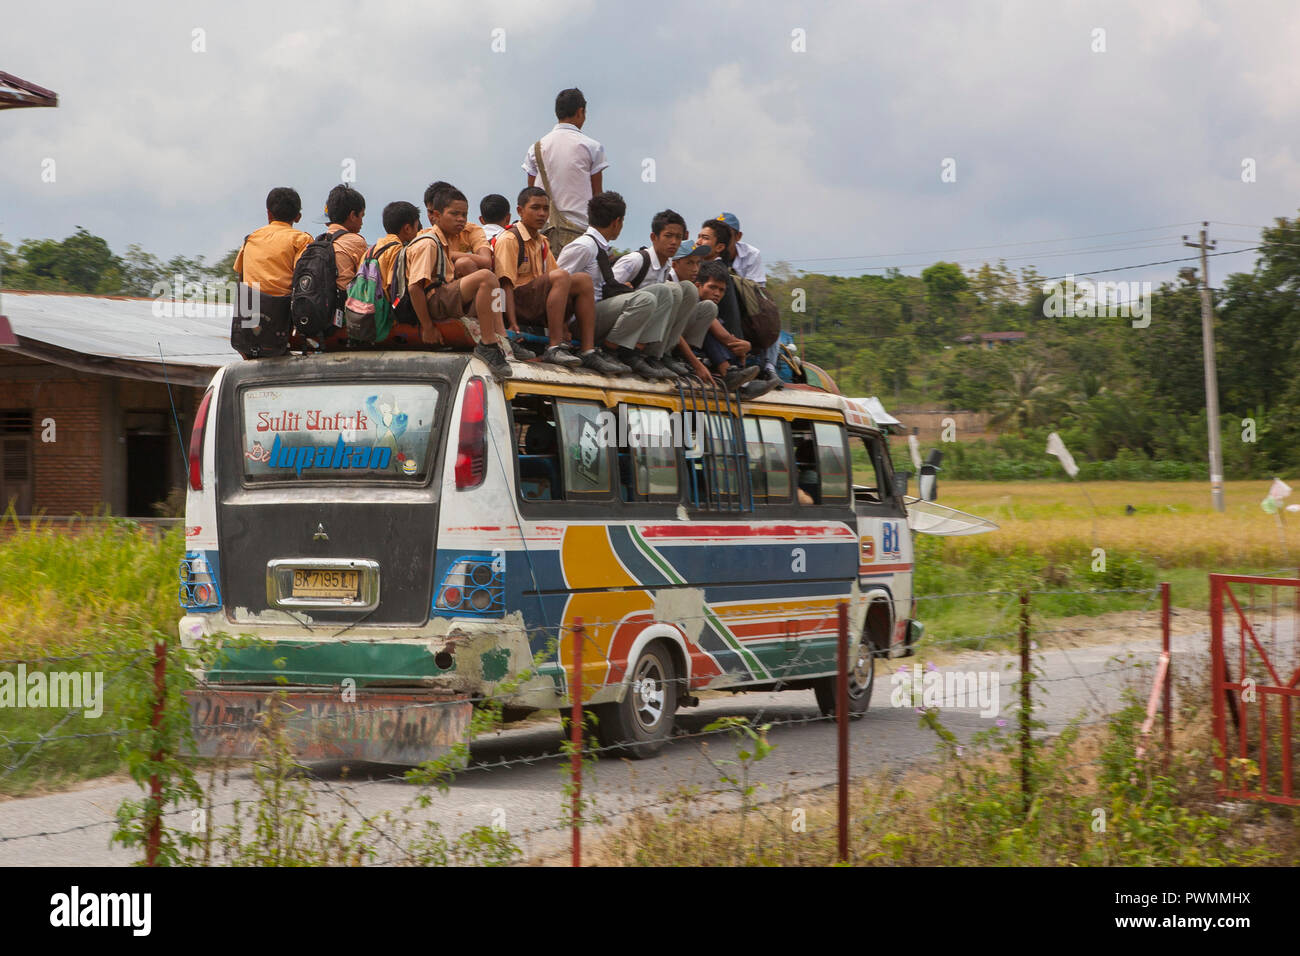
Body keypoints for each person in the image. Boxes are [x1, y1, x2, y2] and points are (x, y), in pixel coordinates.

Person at [493, 186, 606, 371]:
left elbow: (559, 285)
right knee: (561, 276)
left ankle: (588, 350)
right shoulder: (510, 239)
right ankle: (554, 346)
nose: (542, 214)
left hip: (537, 302)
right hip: (517, 303)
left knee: (583, 280)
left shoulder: (542, 241)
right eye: (535, 208)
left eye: (546, 209)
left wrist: (563, 324)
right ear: (520, 211)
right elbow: (504, 284)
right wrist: (512, 322)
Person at [555, 191, 666, 379]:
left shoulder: (601, 248)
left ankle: (649, 354)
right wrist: (562, 326)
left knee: (663, 293)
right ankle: (611, 350)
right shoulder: (583, 246)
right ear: (617, 222)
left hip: (596, 313)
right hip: (579, 321)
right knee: (645, 299)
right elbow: (557, 285)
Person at [406, 185, 512, 380]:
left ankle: (500, 335)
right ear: (436, 215)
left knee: (490, 280)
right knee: (486, 278)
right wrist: (428, 327)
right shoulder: (428, 242)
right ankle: (488, 344)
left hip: (444, 295)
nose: (461, 219)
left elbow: (486, 260)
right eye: (454, 214)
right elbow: (414, 287)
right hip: (435, 301)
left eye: (464, 214)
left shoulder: (449, 239)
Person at [612, 209, 715, 378]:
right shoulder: (636, 261)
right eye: (668, 236)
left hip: (639, 324)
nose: (674, 242)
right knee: (669, 290)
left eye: (678, 237)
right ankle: (632, 352)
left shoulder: (665, 266)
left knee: (687, 290)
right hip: (618, 324)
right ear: (654, 237)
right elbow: (605, 292)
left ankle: (657, 355)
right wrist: (627, 292)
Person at [522, 88, 608, 253]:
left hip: (542, 231)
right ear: (580, 112)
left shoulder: (536, 148)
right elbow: (598, 196)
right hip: (579, 231)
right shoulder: (592, 147)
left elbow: (530, 193)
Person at [716, 212, 779, 384]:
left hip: (748, 303)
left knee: (769, 320)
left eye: (726, 232)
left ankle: (769, 367)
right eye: (717, 231)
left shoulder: (751, 254)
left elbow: (756, 290)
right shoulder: (712, 251)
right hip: (718, 302)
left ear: (738, 236)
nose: (720, 236)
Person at [233, 187, 312, 297]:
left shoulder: (251, 238)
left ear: (269, 214)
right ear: (298, 217)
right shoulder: (302, 240)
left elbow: (241, 277)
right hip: (283, 310)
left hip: (249, 308)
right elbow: (304, 278)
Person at [424, 181, 492, 278]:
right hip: (440, 289)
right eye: (430, 212)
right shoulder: (425, 237)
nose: (432, 217)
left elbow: (486, 261)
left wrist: (441, 254)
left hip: (470, 285)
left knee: (464, 264)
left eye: (463, 214)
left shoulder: (472, 230)